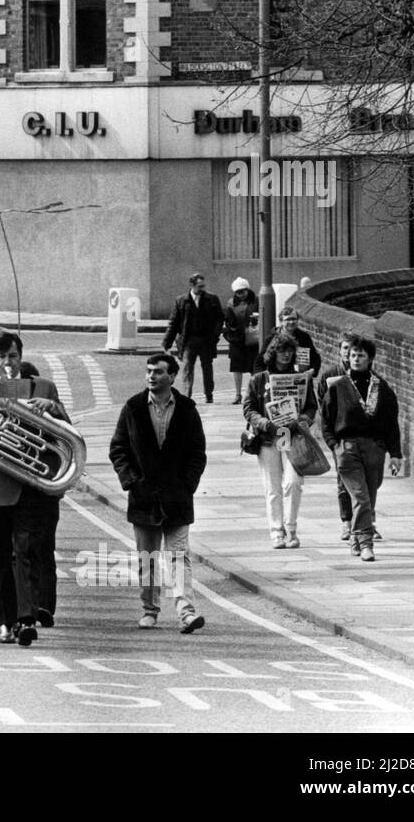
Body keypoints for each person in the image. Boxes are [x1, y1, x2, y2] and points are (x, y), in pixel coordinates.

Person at [0, 330, 67, 644]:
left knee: (24, 549)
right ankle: (3, 621)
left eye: (13, 356)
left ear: (21, 357)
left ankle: (25, 619)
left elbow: (67, 429)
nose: (8, 363)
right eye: (1, 357)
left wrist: (51, 409)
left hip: (32, 482)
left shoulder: (44, 386)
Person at [108, 352, 208, 633]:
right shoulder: (134, 407)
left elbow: (197, 454)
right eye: (149, 371)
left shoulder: (187, 409)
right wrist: (131, 481)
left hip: (176, 497)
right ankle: (150, 610)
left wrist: (187, 485)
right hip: (144, 497)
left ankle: (186, 612)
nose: (151, 376)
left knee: (178, 556)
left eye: (158, 372)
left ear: (172, 376)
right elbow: (118, 448)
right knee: (148, 559)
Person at [320, 335, 402, 562]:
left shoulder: (382, 388)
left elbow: (391, 423)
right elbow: (326, 420)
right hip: (347, 449)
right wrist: (334, 445)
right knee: (361, 498)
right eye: (353, 355)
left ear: (370, 359)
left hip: (375, 448)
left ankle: (356, 537)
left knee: (369, 497)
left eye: (361, 355)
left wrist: (395, 454)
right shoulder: (338, 386)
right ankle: (367, 543)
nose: (355, 359)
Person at [244, 333, 317, 549]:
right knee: (273, 488)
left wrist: (304, 419)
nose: (286, 355)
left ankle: (291, 527)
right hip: (268, 439)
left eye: (289, 350)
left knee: (293, 483)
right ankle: (277, 531)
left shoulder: (301, 378)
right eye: (282, 350)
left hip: (293, 437)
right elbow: (248, 409)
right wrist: (264, 422)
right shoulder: (259, 380)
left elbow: (311, 406)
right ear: (273, 353)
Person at [316, 332, 358, 541]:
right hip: (340, 435)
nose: (349, 353)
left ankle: (367, 521)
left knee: (366, 482)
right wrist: (331, 440)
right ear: (339, 350)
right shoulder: (329, 375)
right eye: (345, 348)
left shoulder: (365, 373)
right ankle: (346, 523)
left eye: (352, 349)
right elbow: (323, 408)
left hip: (361, 435)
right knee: (343, 479)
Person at [161, 271, 224, 403]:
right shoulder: (181, 301)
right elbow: (174, 323)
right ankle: (186, 396)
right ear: (191, 285)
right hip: (188, 340)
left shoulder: (212, 299)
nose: (202, 289)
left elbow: (220, 318)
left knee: (207, 368)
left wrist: (215, 335)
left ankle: (209, 394)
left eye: (203, 286)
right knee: (187, 368)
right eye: (200, 286)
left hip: (206, 340)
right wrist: (167, 343)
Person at [252, 307, 322, 376]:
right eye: (288, 319)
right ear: (281, 321)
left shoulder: (304, 337)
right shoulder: (271, 338)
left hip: (300, 380)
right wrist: (262, 378)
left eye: (294, 319)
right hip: (277, 379)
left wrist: (312, 371)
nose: (291, 322)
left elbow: (315, 358)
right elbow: (259, 362)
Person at [223, 277, 259, 404]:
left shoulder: (256, 300)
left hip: (253, 338)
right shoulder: (231, 303)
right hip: (237, 340)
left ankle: (254, 393)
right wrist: (231, 329)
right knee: (237, 368)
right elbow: (227, 320)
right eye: (238, 292)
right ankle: (238, 395)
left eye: (243, 291)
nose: (241, 294)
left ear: (247, 289)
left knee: (254, 367)